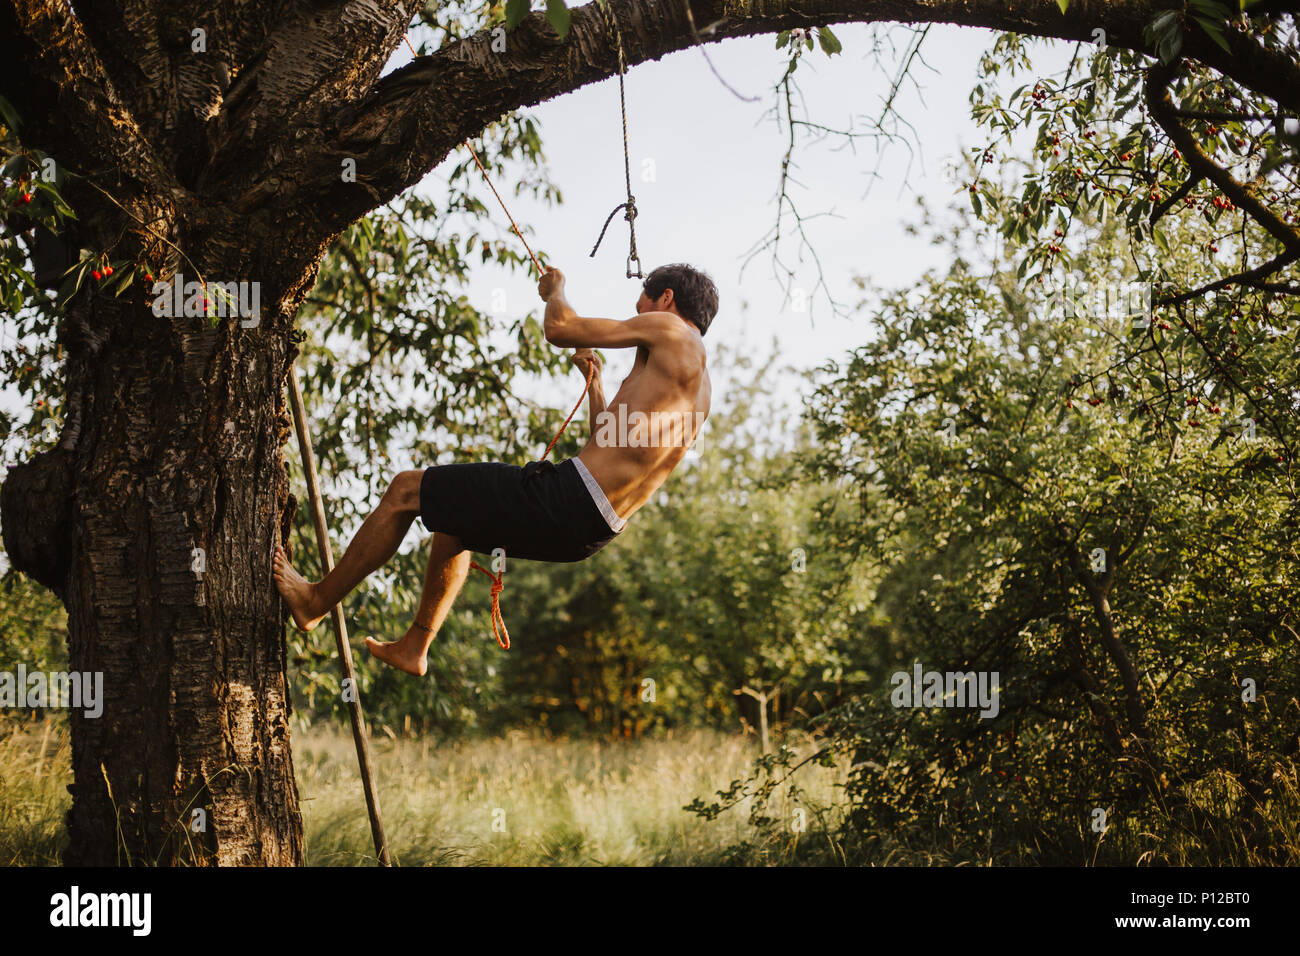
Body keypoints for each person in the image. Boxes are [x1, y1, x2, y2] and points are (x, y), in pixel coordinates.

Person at [273, 263, 717, 675]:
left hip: (568, 497)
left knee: (407, 490)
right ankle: (414, 648)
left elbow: (560, 327)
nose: (635, 315)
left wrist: (555, 290)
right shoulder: (700, 390)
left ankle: (315, 601)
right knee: (454, 522)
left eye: (641, 303)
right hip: (593, 528)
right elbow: (609, 437)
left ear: (666, 299)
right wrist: (595, 385)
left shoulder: (670, 330)